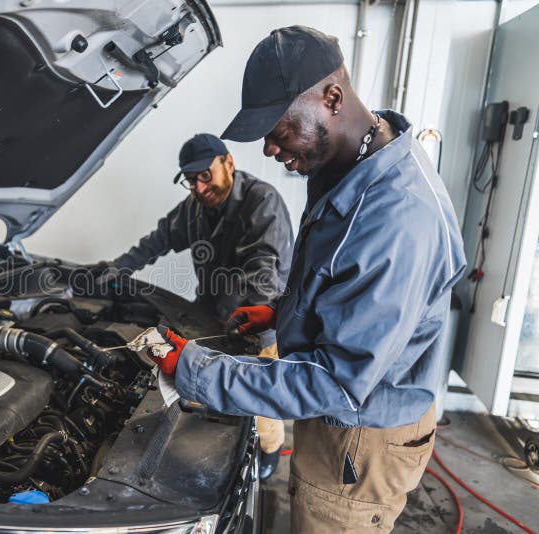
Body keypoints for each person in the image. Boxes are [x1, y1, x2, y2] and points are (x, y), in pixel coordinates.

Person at [149, 26, 465, 533]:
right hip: (343, 418)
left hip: (359, 440)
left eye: (278, 131)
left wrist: (197, 370)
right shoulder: (349, 164)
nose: (271, 151)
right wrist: (283, 311)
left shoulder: (394, 217)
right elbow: (344, 285)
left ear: (331, 98)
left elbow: (338, 384)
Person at [95, 133, 294, 478]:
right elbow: (156, 241)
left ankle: (268, 455)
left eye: (205, 176)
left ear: (228, 163)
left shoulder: (261, 201)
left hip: (258, 322)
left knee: (260, 404)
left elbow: (264, 269)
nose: (200, 188)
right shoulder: (194, 209)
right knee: (207, 392)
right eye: (191, 180)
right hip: (212, 313)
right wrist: (119, 266)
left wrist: (253, 323)